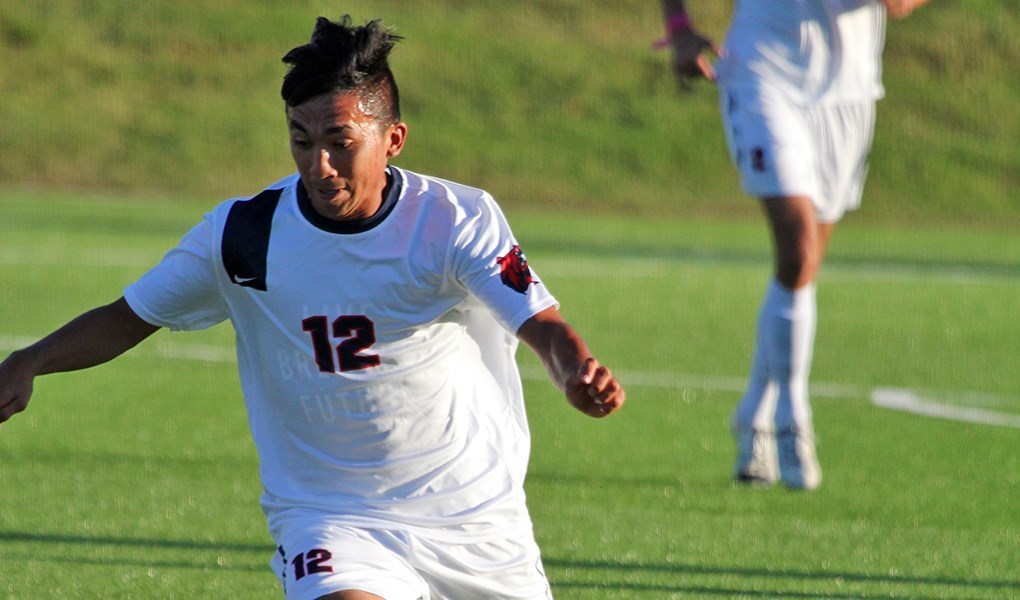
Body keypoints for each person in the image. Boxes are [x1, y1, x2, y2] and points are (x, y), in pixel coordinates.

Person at [0, 15, 625, 599]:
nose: (318, 166)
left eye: (339, 141)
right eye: (301, 141)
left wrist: (574, 368)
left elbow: (539, 320)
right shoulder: (246, 235)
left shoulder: (451, 221)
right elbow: (129, 316)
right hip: (330, 516)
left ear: (393, 139)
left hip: (474, 518)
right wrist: (28, 362)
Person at [656, 0, 929, 489]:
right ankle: (793, 416)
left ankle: (753, 414)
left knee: (800, 270)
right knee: (799, 250)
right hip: (764, 72)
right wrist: (678, 26)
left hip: (848, 91)